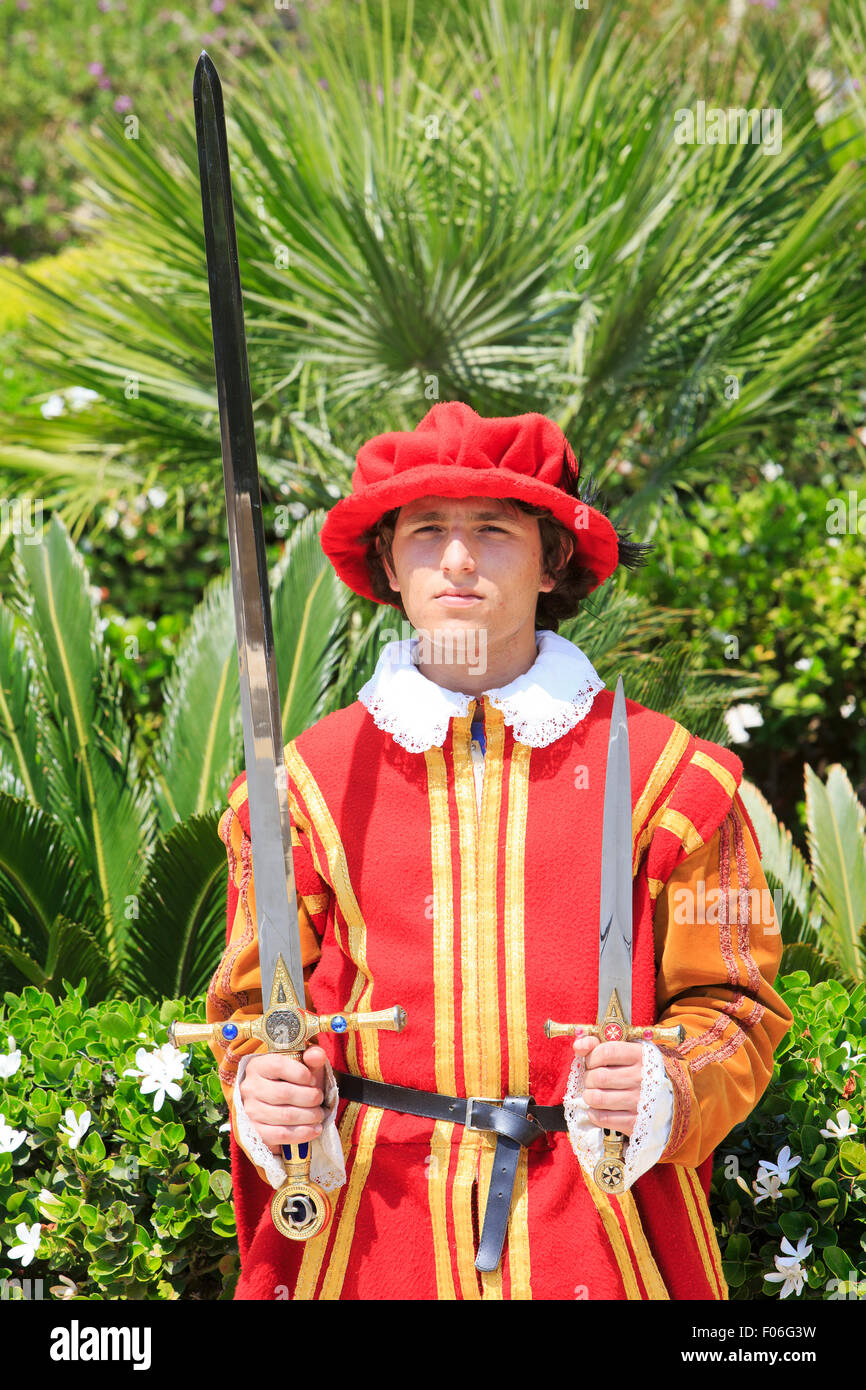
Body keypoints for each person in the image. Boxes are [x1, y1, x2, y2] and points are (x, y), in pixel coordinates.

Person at [206, 400, 793, 1300]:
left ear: (554, 556)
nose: (458, 559)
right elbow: (250, 1009)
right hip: (368, 1234)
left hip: (599, 1229)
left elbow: (739, 1007)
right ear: (387, 561)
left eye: (493, 528)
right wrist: (264, 1086)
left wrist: (666, 1081)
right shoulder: (301, 790)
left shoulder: (675, 781)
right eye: (428, 529)